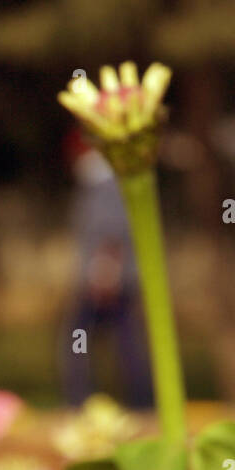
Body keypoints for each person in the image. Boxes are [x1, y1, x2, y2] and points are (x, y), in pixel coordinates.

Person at [60, 129, 153, 409]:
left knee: (81, 338)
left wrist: (104, 274)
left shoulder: (105, 184)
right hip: (113, 277)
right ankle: (140, 402)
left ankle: (82, 402)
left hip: (107, 279)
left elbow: (111, 231)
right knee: (124, 340)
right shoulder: (103, 183)